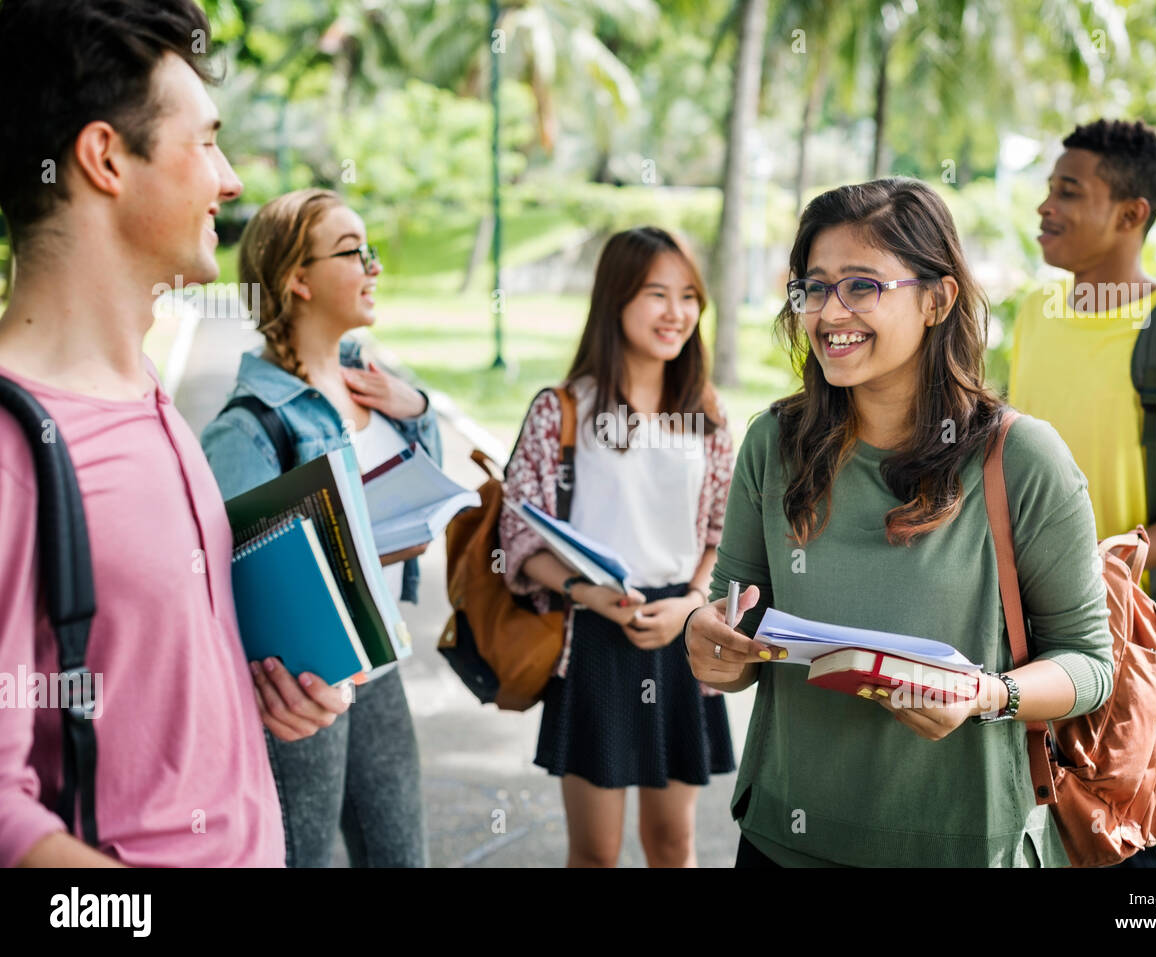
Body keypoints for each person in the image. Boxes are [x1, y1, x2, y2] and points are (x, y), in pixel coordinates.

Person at [0, 0, 347, 868]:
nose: (229, 181)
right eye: (205, 143)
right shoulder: (12, 452)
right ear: (106, 159)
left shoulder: (149, 395)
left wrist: (249, 686)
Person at [683, 179, 1115, 868]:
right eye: (813, 287)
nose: (830, 311)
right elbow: (733, 630)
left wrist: (986, 695)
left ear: (937, 299)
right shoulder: (773, 443)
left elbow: (1091, 665)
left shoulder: (1022, 458)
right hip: (783, 842)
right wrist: (713, 647)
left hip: (961, 847)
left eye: (861, 285)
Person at [1009, 119, 1156, 867]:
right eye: (1048, 189)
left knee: (1106, 828)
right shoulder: (1033, 314)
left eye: (1068, 192)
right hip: (1013, 611)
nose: (1046, 206)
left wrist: (1104, 564)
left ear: (1132, 213)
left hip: (1117, 626)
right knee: (1016, 811)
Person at [201, 188, 440, 868]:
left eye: (371, 249)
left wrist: (417, 406)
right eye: (352, 250)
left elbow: (430, 475)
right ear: (296, 279)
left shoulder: (374, 375)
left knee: (399, 854)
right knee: (298, 854)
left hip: (378, 662)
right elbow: (226, 586)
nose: (374, 265)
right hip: (302, 683)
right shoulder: (248, 426)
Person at [499, 226, 736, 867]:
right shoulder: (563, 410)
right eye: (656, 293)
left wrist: (692, 602)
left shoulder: (706, 413)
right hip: (596, 635)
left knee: (673, 844)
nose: (676, 313)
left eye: (689, 296)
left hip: (681, 635)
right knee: (597, 854)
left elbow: (722, 532)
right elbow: (518, 534)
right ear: (615, 299)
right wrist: (589, 595)